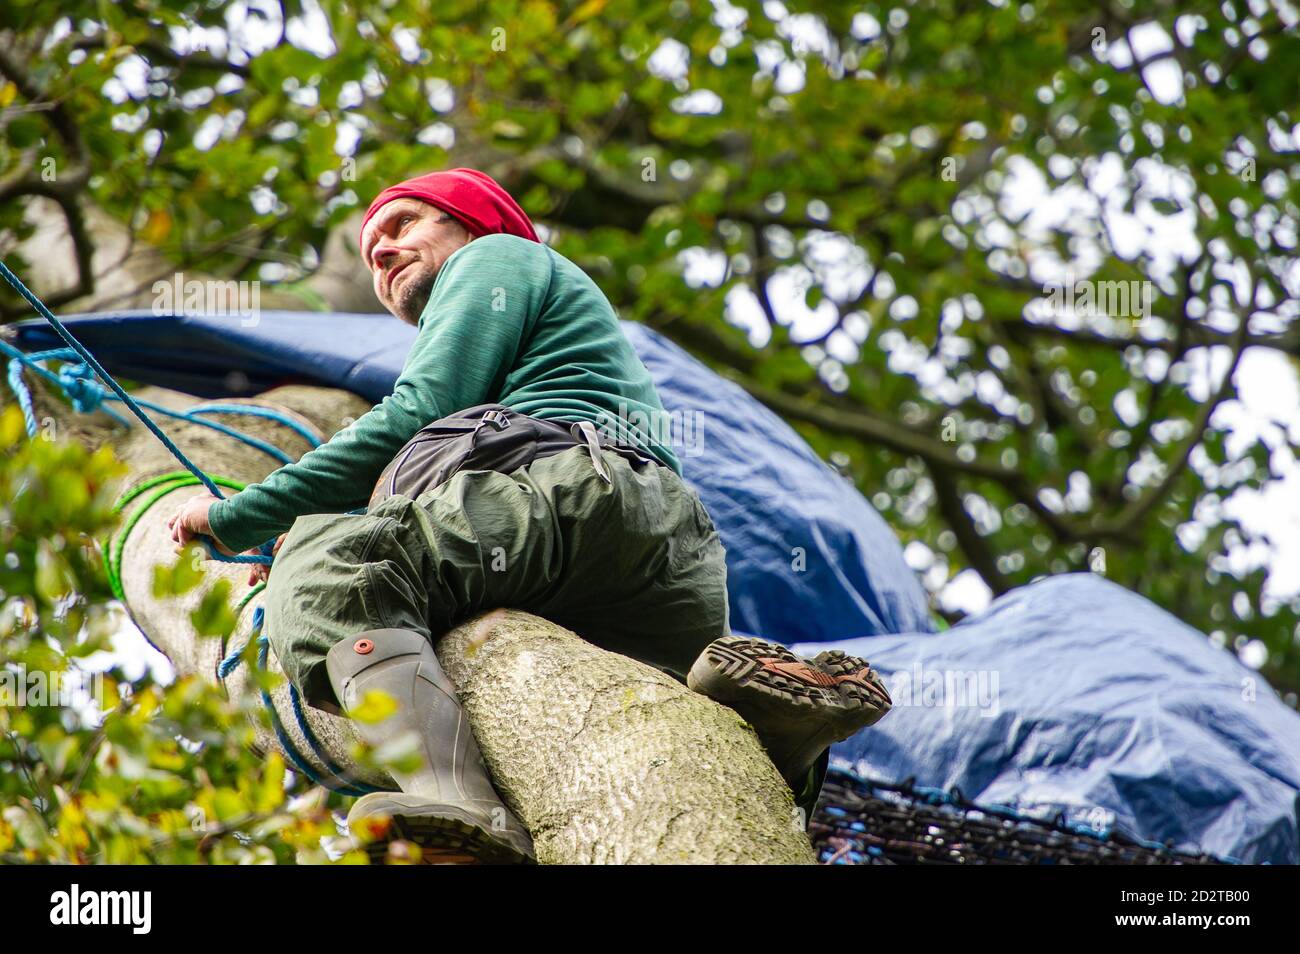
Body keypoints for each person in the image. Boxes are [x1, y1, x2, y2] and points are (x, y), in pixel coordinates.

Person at [167, 168, 891, 864]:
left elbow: (418, 409)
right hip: (660, 561)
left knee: (331, 565)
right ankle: (767, 730)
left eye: (403, 223)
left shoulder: (495, 256)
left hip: (558, 492)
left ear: (474, 224)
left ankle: (459, 807)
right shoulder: (548, 324)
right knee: (662, 723)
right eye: (369, 250)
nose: (382, 249)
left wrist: (237, 517)